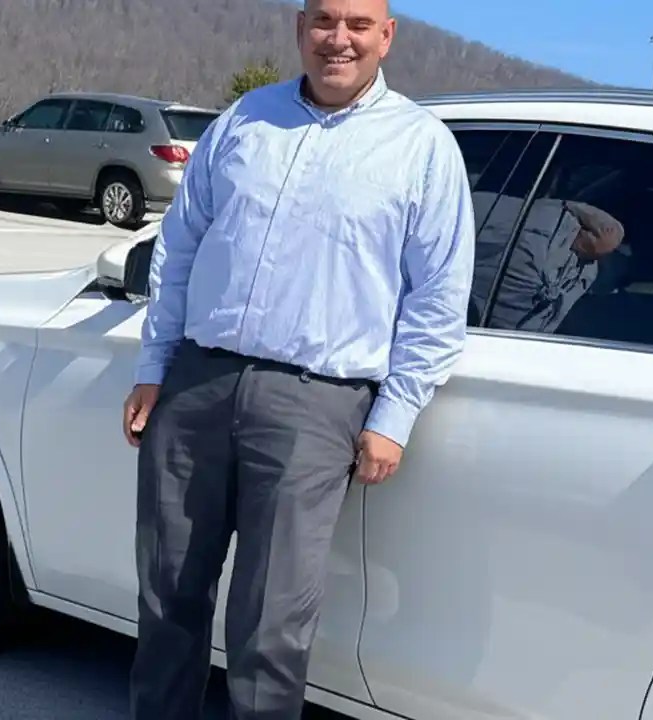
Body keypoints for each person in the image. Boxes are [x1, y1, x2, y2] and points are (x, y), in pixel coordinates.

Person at [119, 0, 476, 716]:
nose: (337, 40)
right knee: (166, 596)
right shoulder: (246, 121)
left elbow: (439, 297)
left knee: (271, 622)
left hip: (318, 402)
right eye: (322, 21)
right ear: (299, 28)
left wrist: (395, 414)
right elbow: (179, 248)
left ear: (386, 37)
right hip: (198, 381)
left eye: (356, 25)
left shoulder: (421, 146)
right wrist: (155, 367)